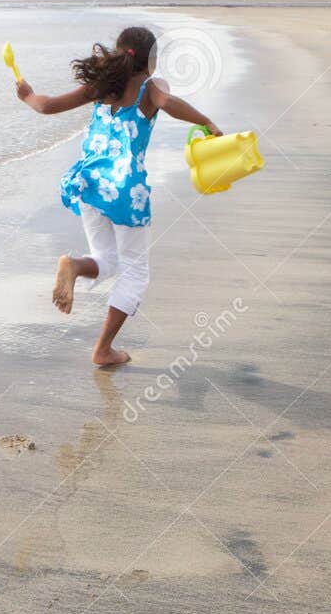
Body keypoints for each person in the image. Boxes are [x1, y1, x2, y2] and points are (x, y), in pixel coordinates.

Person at [16, 26, 221, 366]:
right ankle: (102, 350)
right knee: (136, 273)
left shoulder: (102, 87)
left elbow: (48, 106)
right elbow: (168, 103)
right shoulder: (150, 88)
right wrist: (207, 122)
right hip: (126, 191)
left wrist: (27, 95)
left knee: (106, 260)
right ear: (151, 62)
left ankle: (74, 266)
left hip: (89, 181)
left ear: (118, 52)